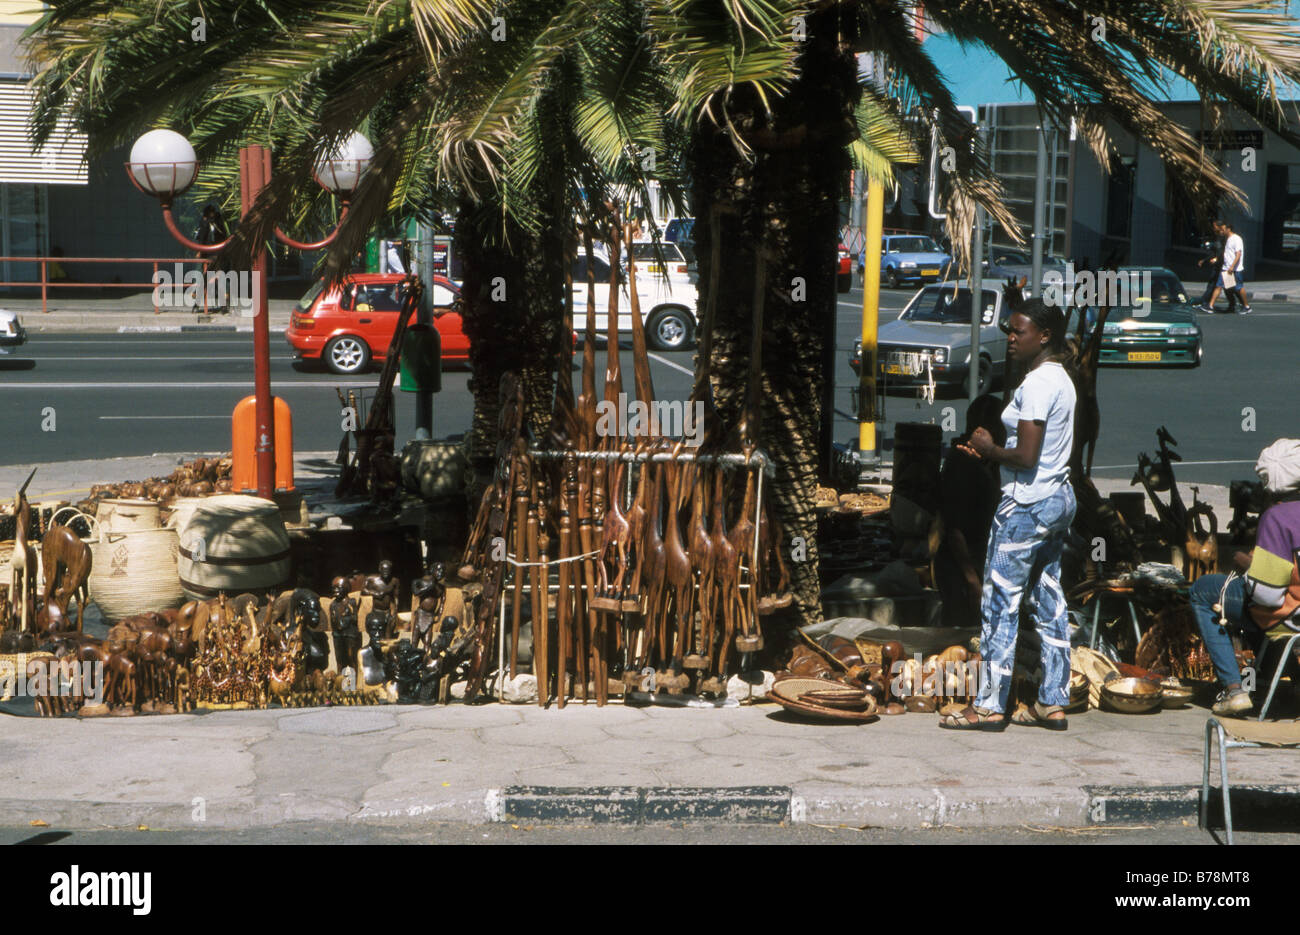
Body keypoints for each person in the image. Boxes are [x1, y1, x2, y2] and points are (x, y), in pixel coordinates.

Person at [940, 298, 1077, 731]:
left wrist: (989, 449)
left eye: (1019, 331)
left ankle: (988, 705)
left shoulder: (1037, 385)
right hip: (1056, 498)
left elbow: (1026, 455)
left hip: (1026, 505)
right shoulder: (1062, 380)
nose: (1011, 339)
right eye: (1010, 331)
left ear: (1045, 336)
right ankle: (1053, 702)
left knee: (1000, 603)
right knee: (1048, 598)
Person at [1190, 441, 1300, 716]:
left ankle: (1234, 690)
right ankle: (1280, 677)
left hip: (1289, 616)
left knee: (1203, 590)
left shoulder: (1277, 518)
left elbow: (1267, 595)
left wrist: (1249, 569)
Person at [935, 395, 1006, 628]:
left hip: (977, 562)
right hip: (961, 568)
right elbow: (955, 529)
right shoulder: (963, 463)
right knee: (962, 634)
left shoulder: (984, 461)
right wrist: (972, 580)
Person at [1200, 219, 1252, 314]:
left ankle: (1246, 306)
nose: (1221, 231)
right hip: (1226, 268)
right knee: (1222, 287)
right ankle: (1212, 306)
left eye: (1223, 229)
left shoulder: (1236, 239)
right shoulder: (1227, 239)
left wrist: (1232, 266)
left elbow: (1238, 254)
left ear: (1228, 229)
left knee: (1238, 287)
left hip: (1235, 269)